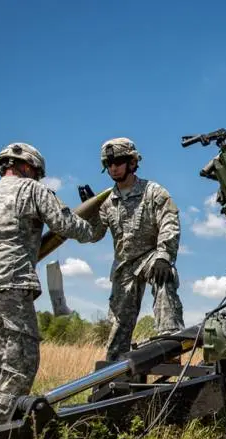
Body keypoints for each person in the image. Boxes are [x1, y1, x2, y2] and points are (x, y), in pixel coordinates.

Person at [0, 143, 102, 433]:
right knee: (19, 364)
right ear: (28, 167)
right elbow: (65, 225)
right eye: (37, 173)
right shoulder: (32, 190)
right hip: (8, 285)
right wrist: (95, 225)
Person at [88, 137, 184, 361]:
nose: (113, 168)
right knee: (118, 322)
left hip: (151, 257)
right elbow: (94, 235)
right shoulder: (106, 201)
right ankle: (113, 369)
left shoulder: (153, 192)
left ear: (132, 163)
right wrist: (90, 213)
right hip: (124, 266)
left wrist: (164, 256)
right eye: (109, 164)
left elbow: (169, 222)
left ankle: (169, 343)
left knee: (165, 277)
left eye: (118, 162)